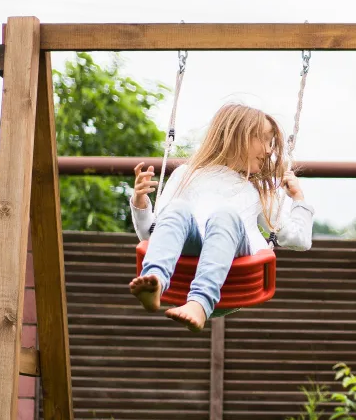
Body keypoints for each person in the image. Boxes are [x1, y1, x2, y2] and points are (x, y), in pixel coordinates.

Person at [128, 103, 314, 331]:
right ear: (237, 136)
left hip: (235, 270)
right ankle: (155, 281)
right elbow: (154, 235)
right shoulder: (185, 175)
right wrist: (140, 203)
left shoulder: (259, 191)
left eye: (271, 144)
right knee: (177, 208)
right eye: (264, 140)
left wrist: (299, 199)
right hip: (188, 258)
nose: (268, 151)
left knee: (225, 215)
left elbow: (299, 239)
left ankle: (200, 303)